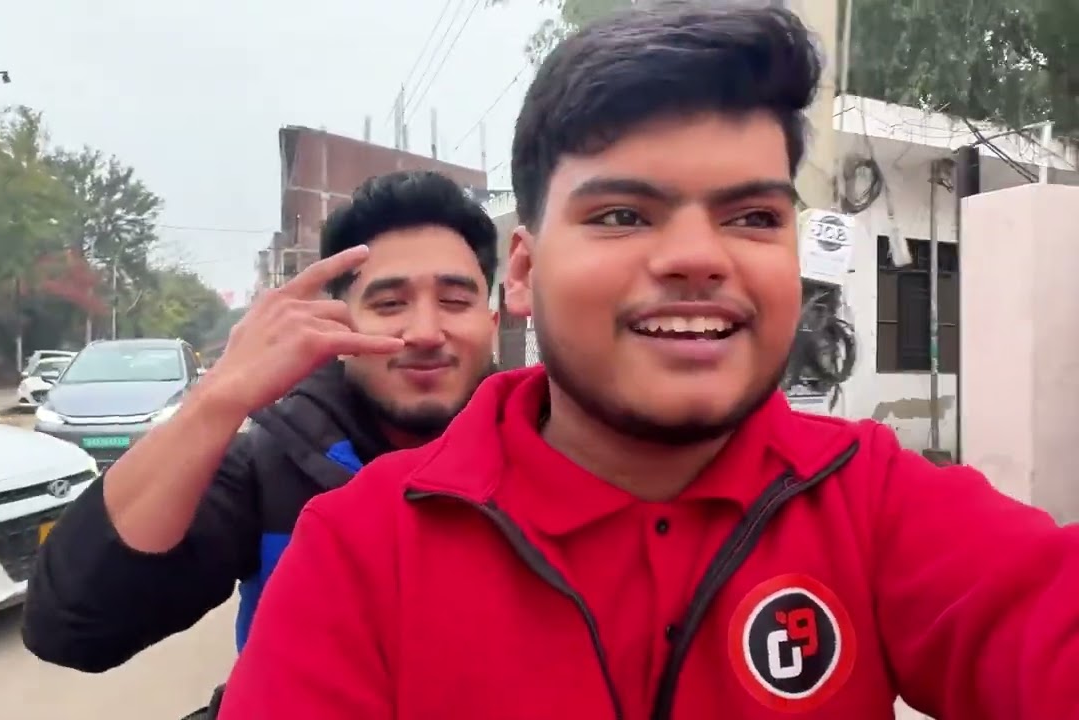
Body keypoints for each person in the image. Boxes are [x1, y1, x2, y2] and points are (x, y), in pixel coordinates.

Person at [214, 5, 1079, 720]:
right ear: (521, 272)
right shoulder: (361, 554)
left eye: (752, 218)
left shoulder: (874, 502)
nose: (700, 258)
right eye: (624, 216)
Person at [21, 170, 500, 673]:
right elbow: (71, 627)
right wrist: (218, 398)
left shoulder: (553, 449)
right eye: (388, 304)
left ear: (490, 324)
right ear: (333, 324)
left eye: (454, 301)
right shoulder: (267, 469)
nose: (425, 332)